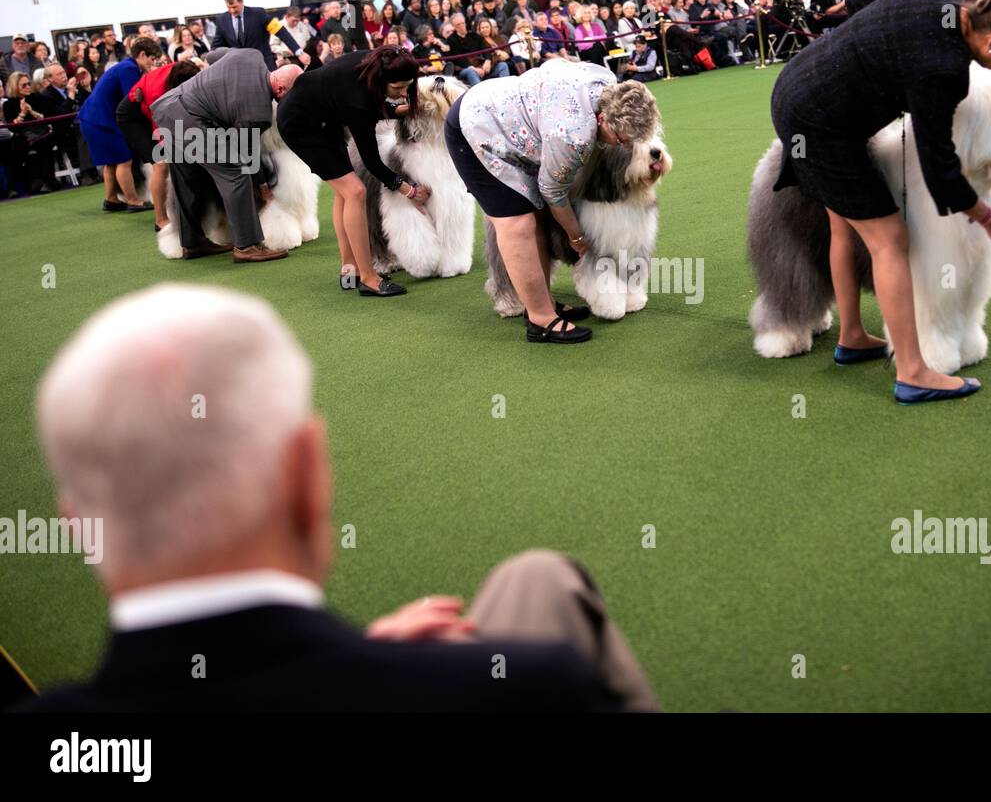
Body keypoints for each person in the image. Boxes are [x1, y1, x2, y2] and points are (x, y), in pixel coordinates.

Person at [22, 283, 658, 713]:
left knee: (537, 577)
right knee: (543, 579)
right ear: (306, 473)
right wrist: (366, 666)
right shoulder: (533, 685)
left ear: (78, 526)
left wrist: (363, 656)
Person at [768, 0, 991, 404]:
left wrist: (849, 4)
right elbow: (940, 172)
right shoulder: (943, 68)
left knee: (844, 223)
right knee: (890, 240)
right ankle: (914, 372)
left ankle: (853, 336)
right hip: (820, 124)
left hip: (798, 87)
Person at [443, 60, 660, 343]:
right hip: (477, 130)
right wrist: (576, 235)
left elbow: (555, 64)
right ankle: (541, 319)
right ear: (603, 120)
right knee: (517, 222)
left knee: (539, 215)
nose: (621, 146)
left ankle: (541, 299)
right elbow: (553, 191)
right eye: (621, 140)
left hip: (514, 120)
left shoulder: (607, 83)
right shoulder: (573, 137)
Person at [274, 46, 426, 296]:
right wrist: (410, 191)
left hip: (324, 117)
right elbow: (372, 163)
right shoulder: (359, 100)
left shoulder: (375, 63)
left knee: (344, 193)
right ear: (381, 78)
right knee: (355, 191)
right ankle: (368, 277)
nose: (403, 94)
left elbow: (365, 104)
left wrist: (394, 111)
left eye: (407, 87)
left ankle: (349, 270)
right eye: (397, 88)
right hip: (300, 124)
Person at [150, 48, 301, 263]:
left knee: (187, 180)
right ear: (280, 88)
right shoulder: (259, 113)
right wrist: (264, 187)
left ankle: (192, 243)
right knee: (236, 174)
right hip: (192, 122)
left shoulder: (251, 55)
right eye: (288, 95)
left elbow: (213, 55)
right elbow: (247, 154)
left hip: (167, 110)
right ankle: (247, 246)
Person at [117, 57, 204, 233]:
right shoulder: (157, 93)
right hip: (133, 118)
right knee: (162, 163)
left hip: (149, 111)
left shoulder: (185, 69)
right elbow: (160, 128)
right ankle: (161, 219)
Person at [77, 36, 163, 212]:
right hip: (101, 120)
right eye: (152, 59)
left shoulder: (127, 67)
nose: (153, 63)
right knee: (124, 160)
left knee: (112, 162)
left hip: (93, 118)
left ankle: (111, 200)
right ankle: (133, 201)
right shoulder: (129, 69)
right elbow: (132, 98)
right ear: (142, 54)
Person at [212, 0, 311, 70]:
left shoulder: (259, 14)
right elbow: (217, 45)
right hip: (239, 69)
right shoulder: (222, 20)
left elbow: (281, 31)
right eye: (229, 7)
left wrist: (299, 52)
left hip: (263, 66)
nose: (232, 11)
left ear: (241, 1)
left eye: (235, 7)